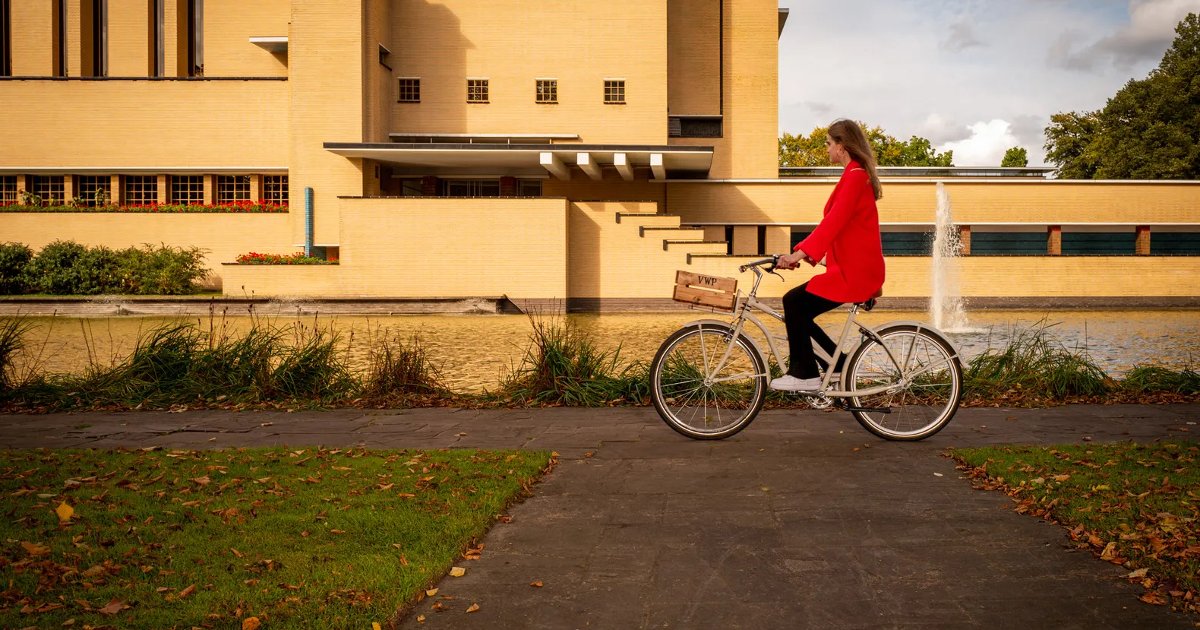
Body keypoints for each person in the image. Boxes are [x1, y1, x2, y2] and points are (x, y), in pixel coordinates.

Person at [769, 119, 886, 392]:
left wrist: (798, 255)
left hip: (854, 274)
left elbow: (833, 222)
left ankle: (805, 373)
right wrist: (804, 256)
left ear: (841, 146)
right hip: (850, 268)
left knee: (794, 302)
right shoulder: (854, 175)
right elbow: (840, 229)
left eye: (828, 144)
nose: (826, 149)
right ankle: (841, 363)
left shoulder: (856, 176)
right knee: (797, 307)